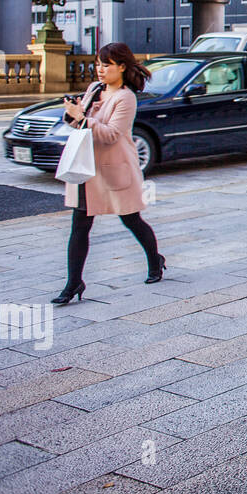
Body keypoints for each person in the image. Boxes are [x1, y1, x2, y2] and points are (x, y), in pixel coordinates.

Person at [53, 42, 165, 305]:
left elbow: (111, 135)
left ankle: (155, 260)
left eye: (106, 65)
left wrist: (81, 119)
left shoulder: (125, 97)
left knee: (131, 220)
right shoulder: (95, 88)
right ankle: (73, 283)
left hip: (115, 169)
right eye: (97, 64)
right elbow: (80, 123)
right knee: (80, 225)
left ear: (122, 67)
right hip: (86, 170)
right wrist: (72, 114)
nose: (100, 70)